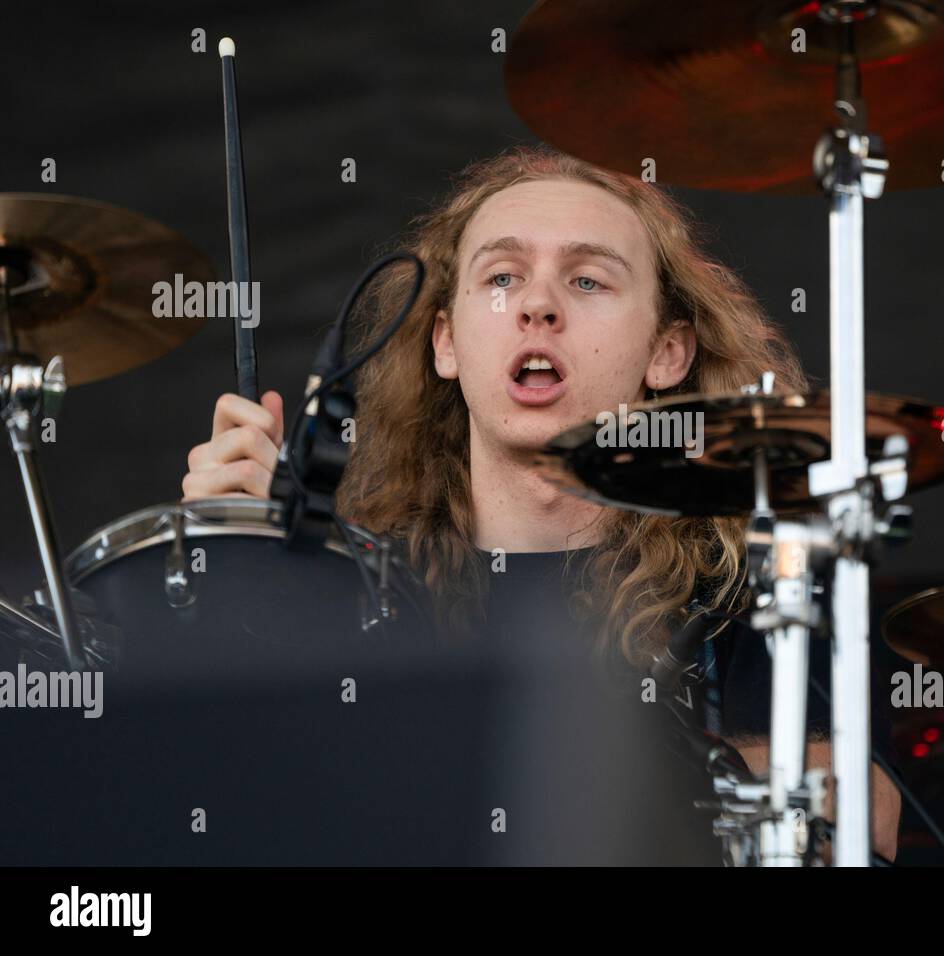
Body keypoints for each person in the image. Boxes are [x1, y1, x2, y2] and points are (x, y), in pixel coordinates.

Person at [181, 144, 901, 860]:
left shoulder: (759, 571)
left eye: (588, 281)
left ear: (668, 353)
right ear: (445, 342)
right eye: (501, 276)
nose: (536, 306)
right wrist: (238, 590)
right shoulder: (357, 588)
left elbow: (852, 815)